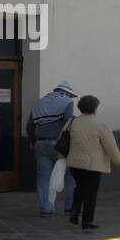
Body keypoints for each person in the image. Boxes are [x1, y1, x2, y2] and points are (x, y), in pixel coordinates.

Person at [64, 95, 120, 231]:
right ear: (95, 108)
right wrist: (119, 163)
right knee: (91, 193)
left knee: (80, 188)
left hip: (74, 162)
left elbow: (62, 139)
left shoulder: (72, 122)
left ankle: (74, 211)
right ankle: (87, 221)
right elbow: (111, 147)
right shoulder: (100, 125)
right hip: (92, 164)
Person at [27, 81, 77, 218]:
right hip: (60, 145)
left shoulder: (39, 103)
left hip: (41, 144)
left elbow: (30, 126)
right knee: (70, 175)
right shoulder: (66, 102)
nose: (70, 98)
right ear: (66, 93)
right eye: (70, 95)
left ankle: (46, 209)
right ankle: (70, 207)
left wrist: (32, 142)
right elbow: (68, 123)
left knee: (44, 177)